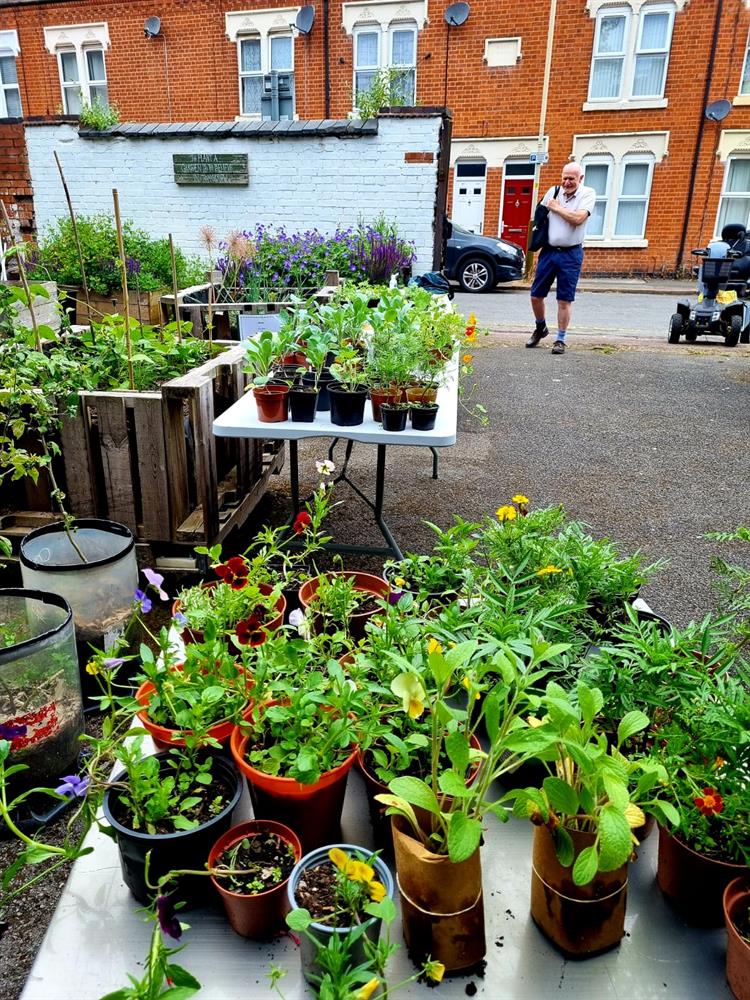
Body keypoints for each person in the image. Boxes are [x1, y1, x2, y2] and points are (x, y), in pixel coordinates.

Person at [526, 162, 595, 355]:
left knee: (564, 299)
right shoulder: (553, 191)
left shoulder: (587, 194)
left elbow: (578, 219)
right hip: (548, 252)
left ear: (581, 178)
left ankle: (560, 339)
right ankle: (541, 327)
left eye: (571, 178)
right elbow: (540, 215)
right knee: (536, 295)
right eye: (564, 178)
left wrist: (556, 208)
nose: (566, 182)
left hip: (571, 253)